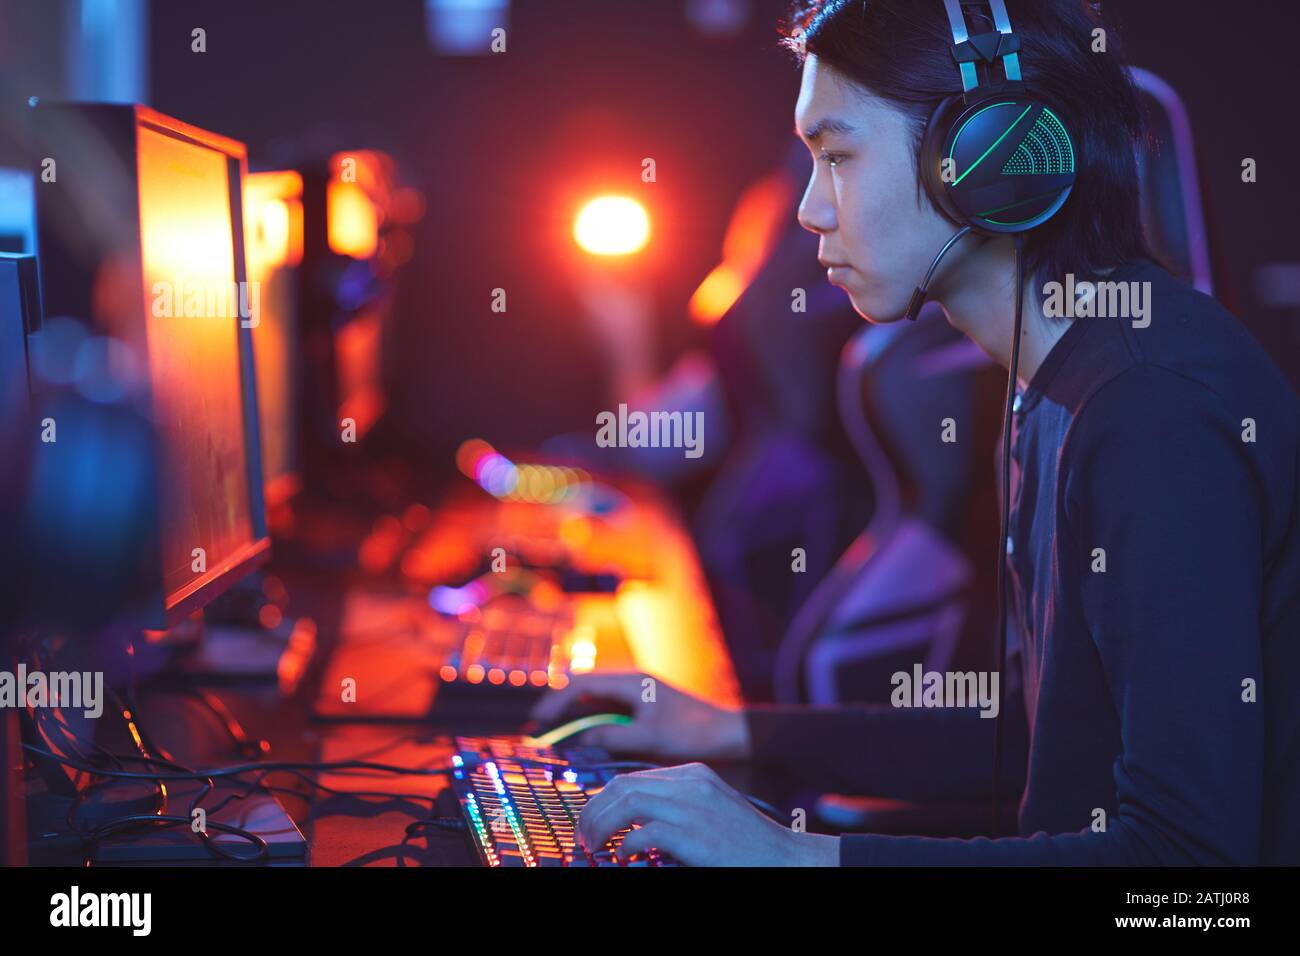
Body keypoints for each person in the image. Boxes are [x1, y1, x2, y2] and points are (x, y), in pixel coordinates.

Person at [531, 0, 1300, 865]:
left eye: (838, 156)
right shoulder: (1056, 379)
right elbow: (1043, 734)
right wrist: (737, 729)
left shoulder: (1149, 410)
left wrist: (794, 857)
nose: (810, 212)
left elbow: (1188, 875)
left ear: (981, 163)